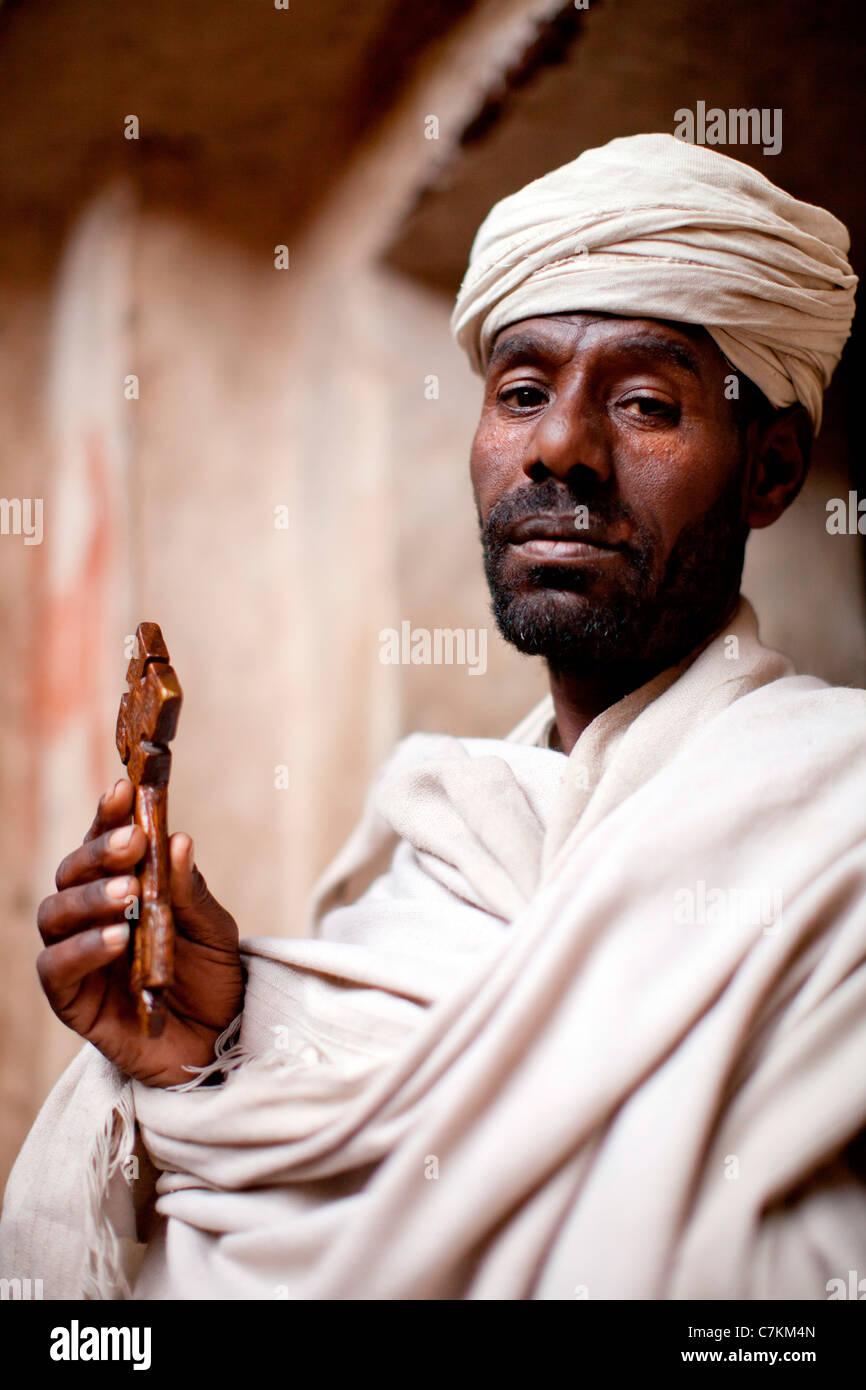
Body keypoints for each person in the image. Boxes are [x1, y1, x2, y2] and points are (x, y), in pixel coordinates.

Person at [2, 133, 865, 1301]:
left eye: (647, 401)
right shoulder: (425, 857)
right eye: (519, 392)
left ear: (767, 471)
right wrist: (220, 1044)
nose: (558, 446)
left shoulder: (838, 816)